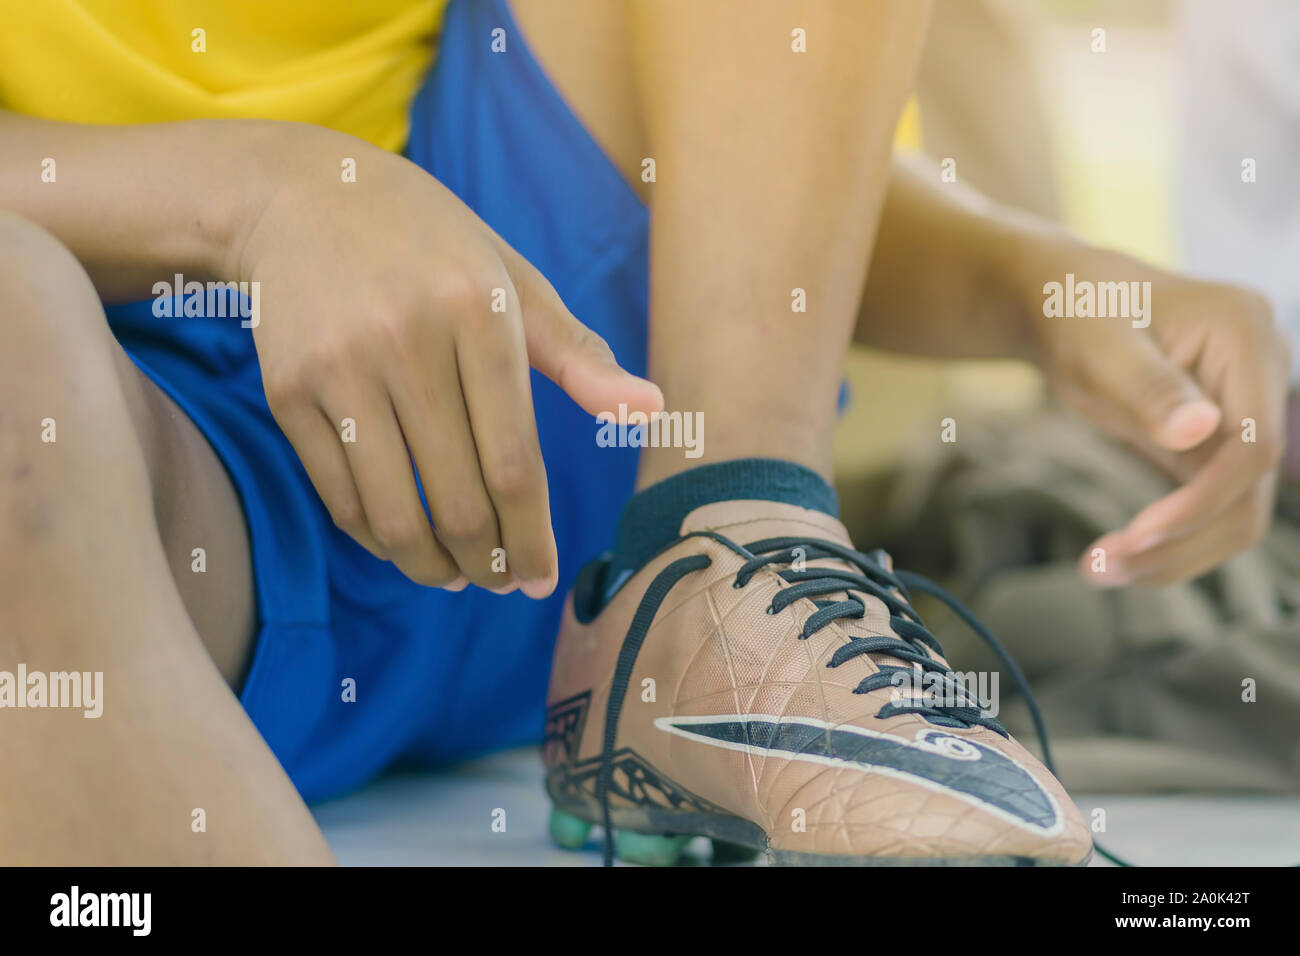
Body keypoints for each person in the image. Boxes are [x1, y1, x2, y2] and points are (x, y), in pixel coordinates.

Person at [0, 0, 1286, 865]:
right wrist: (254, 198)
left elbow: (724, 125)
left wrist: (1037, 284)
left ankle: (724, 557)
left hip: (606, 424)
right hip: (155, 460)